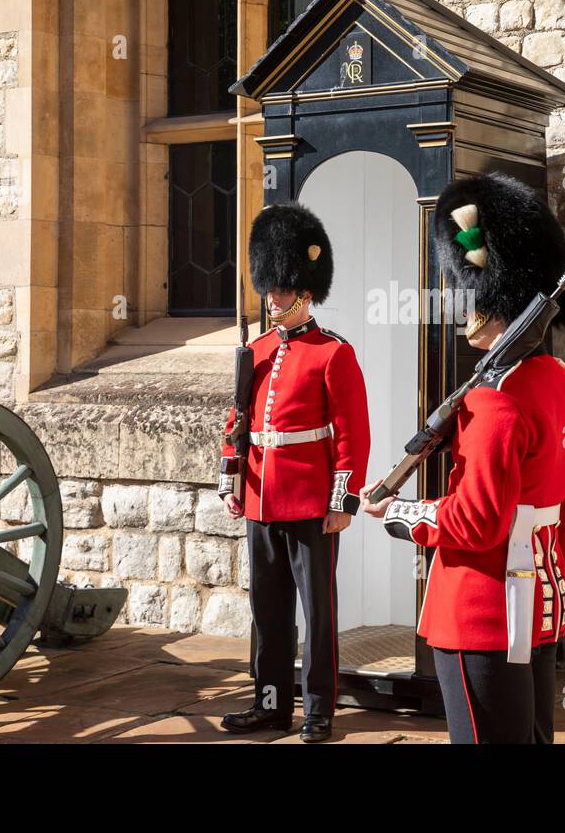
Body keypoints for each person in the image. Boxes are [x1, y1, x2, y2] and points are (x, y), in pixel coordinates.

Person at [362, 172, 565, 744]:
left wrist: (397, 514)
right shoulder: (563, 385)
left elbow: (476, 520)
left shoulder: (499, 400)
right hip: (538, 606)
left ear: (494, 301)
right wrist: (549, 593)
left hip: (478, 609)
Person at [218, 202, 370, 743]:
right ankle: (271, 705)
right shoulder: (255, 351)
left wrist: (341, 502)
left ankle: (319, 711)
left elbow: (352, 437)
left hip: (310, 503)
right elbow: (239, 423)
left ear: (304, 291)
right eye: (271, 288)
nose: (273, 298)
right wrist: (231, 480)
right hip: (260, 499)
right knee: (269, 615)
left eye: (282, 289)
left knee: (318, 616)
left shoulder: (333, 354)